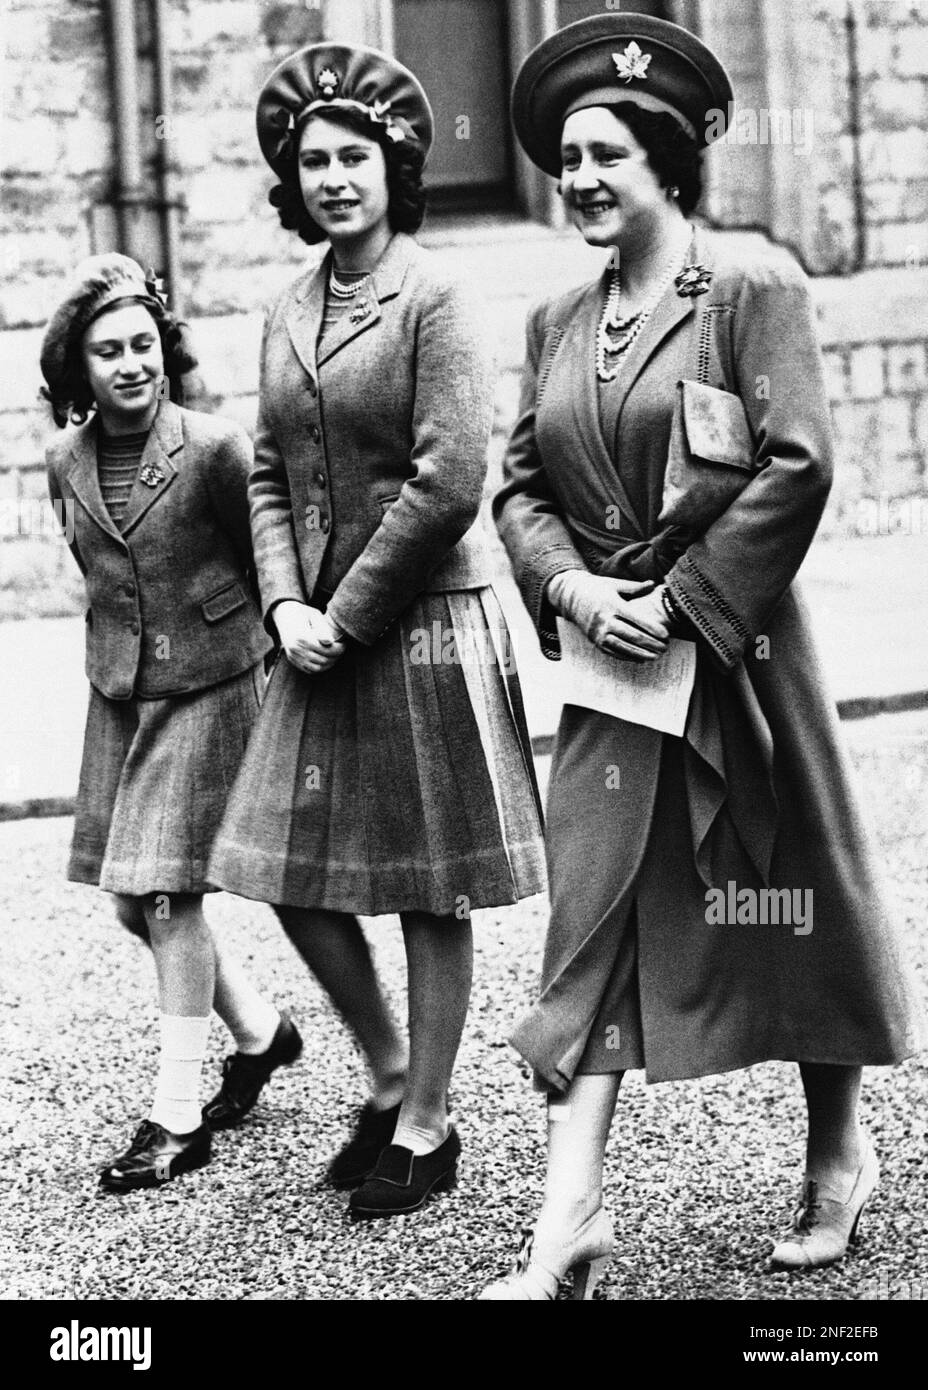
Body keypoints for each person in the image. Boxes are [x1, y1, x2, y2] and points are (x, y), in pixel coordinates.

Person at [481, 13, 923, 1297]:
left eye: (606, 151)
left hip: (736, 651)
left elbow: (799, 462)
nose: (579, 177)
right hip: (611, 672)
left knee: (787, 904)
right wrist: (569, 587)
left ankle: (840, 1150)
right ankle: (566, 1219)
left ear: (667, 162)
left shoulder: (748, 292)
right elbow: (515, 488)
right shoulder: (558, 315)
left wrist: (680, 603)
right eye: (565, 156)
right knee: (594, 918)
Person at [208, 43, 545, 1219]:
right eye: (314, 161)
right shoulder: (287, 304)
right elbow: (261, 468)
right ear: (289, 180)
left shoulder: (436, 294)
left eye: (355, 157)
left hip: (421, 626)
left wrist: (342, 614)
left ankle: (429, 1118)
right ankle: (390, 1070)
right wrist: (284, 602)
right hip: (313, 630)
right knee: (279, 867)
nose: (335, 178)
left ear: (394, 166)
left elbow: (452, 477)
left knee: (424, 886)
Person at [42, 255, 303, 1194]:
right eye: (107, 350)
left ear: (168, 348)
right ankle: (262, 1036)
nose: (130, 365)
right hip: (119, 695)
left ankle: (177, 1114)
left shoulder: (216, 447)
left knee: (165, 897)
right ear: (78, 366)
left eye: (143, 345)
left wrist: (276, 664)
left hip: (211, 684)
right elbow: (93, 566)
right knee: (128, 902)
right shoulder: (62, 461)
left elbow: (267, 559)